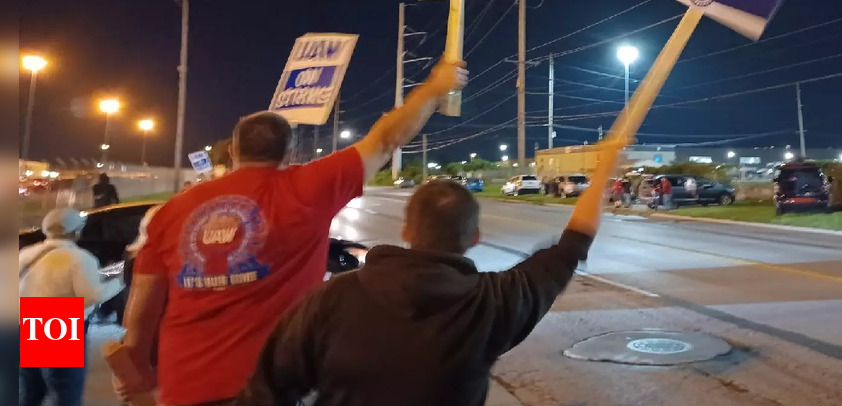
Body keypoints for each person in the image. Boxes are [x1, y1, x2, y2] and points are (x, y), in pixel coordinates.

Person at [115, 60, 467, 406]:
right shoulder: (307, 189)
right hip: (271, 388)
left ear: (234, 151)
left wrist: (138, 367)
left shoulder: (171, 211)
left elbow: (142, 309)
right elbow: (386, 140)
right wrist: (435, 89)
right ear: (291, 151)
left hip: (186, 389)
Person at [231, 140, 624, 406]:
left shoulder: (332, 298)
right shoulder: (492, 302)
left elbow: (267, 390)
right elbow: (572, 245)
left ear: (407, 232)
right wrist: (604, 169)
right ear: (475, 238)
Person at [19, 207, 125, 406]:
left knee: (31, 391)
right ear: (77, 231)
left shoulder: (26, 254)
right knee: (65, 392)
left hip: (25, 321)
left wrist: (110, 273)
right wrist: (121, 282)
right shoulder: (79, 258)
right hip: (58, 324)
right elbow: (93, 295)